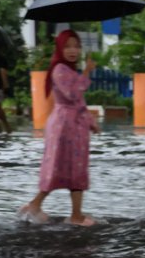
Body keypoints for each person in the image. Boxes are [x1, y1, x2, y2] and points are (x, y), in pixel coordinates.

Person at [17, 30, 99, 226]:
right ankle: (37, 205)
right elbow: (72, 94)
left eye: (76, 46)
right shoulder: (59, 70)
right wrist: (87, 72)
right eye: (68, 46)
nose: (73, 50)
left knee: (77, 169)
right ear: (60, 48)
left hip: (76, 126)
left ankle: (74, 214)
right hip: (63, 126)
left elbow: (79, 101)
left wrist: (90, 121)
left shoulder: (70, 71)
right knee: (58, 168)